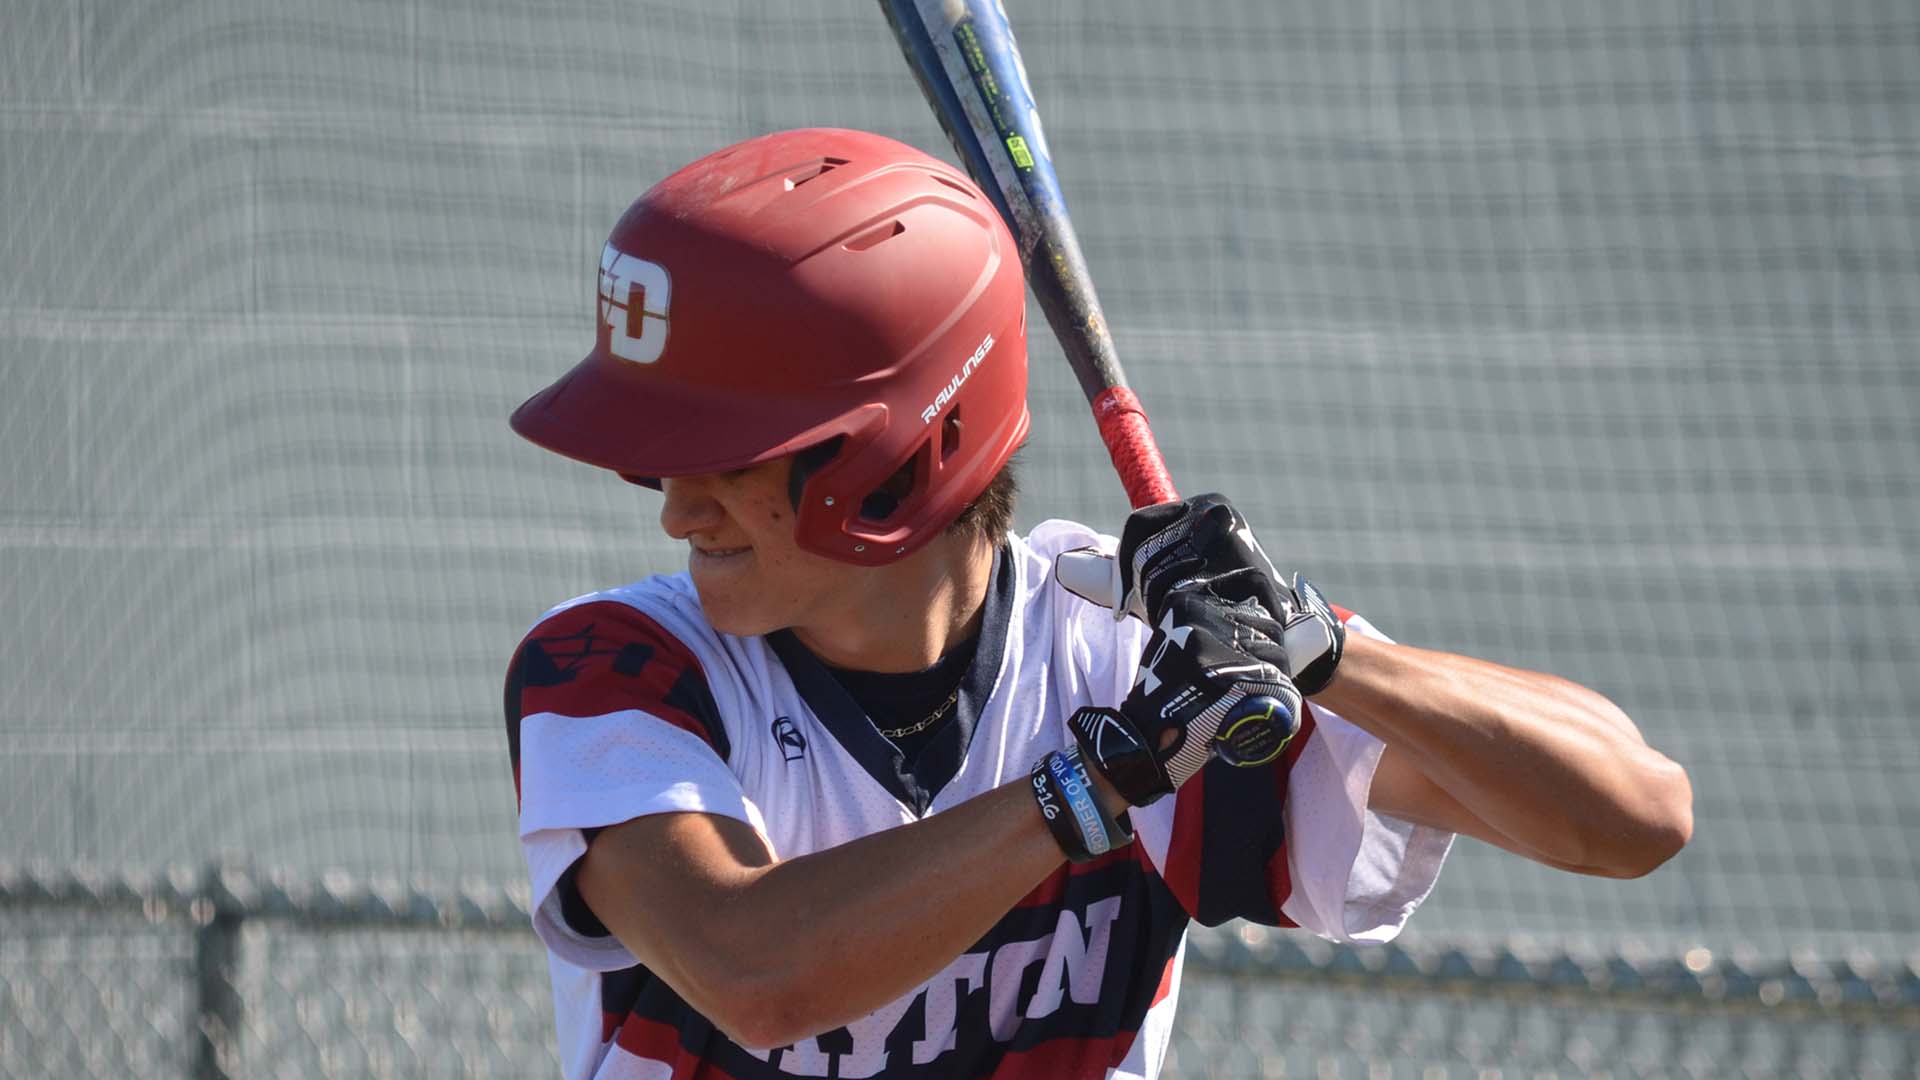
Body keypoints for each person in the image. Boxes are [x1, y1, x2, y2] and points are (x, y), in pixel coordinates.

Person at [503, 127, 1692, 1080]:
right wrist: (1097, 784)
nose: (677, 511)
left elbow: (1638, 815)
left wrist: (1323, 652)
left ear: (901, 458)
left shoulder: (1117, 650)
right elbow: (758, 971)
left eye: (728, 459)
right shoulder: (617, 669)